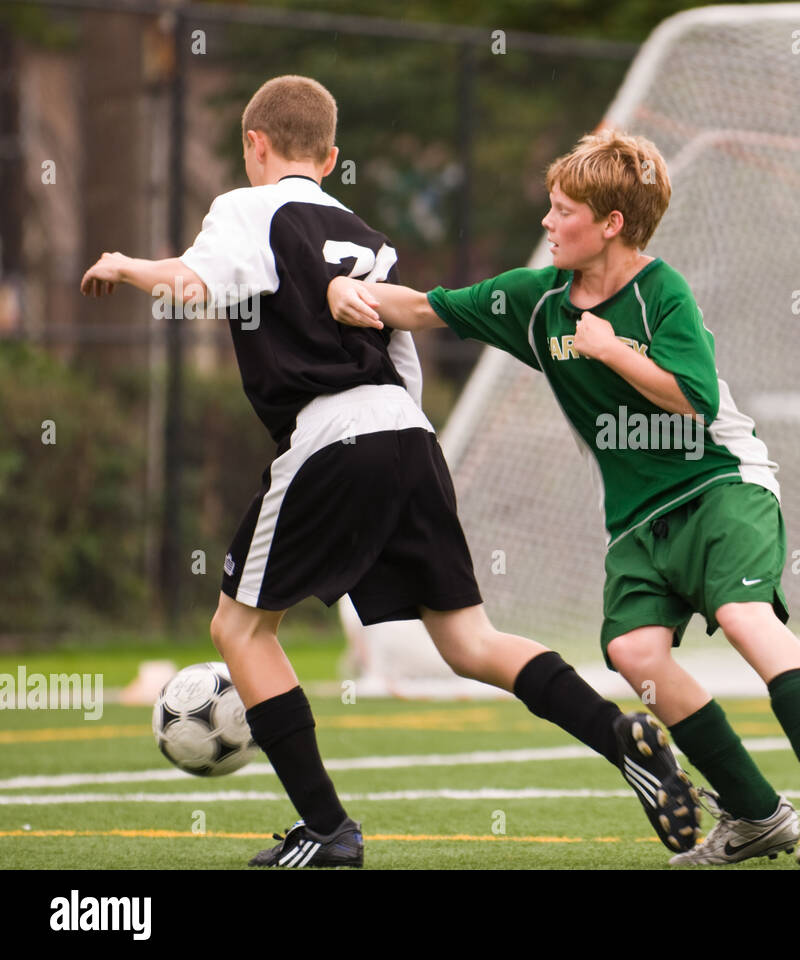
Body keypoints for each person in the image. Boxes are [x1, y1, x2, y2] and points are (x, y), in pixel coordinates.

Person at [79, 78, 698, 867]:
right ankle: (620, 735)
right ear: (332, 159)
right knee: (470, 641)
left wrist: (128, 265)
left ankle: (328, 830)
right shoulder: (368, 236)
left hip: (331, 432)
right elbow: (401, 354)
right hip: (407, 434)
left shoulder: (246, 208)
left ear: (253, 145)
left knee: (237, 628)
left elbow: (195, 287)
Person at [328, 129, 800, 867]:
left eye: (563, 211)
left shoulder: (662, 293)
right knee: (632, 653)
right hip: (637, 519)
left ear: (610, 225)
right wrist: (345, 291)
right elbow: (425, 309)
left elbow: (691, 398)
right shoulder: (535, 301)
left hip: (719, 483)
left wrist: (613, 349)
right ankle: (754, 814)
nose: (548, 223)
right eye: (552, 208)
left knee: (742, 615)